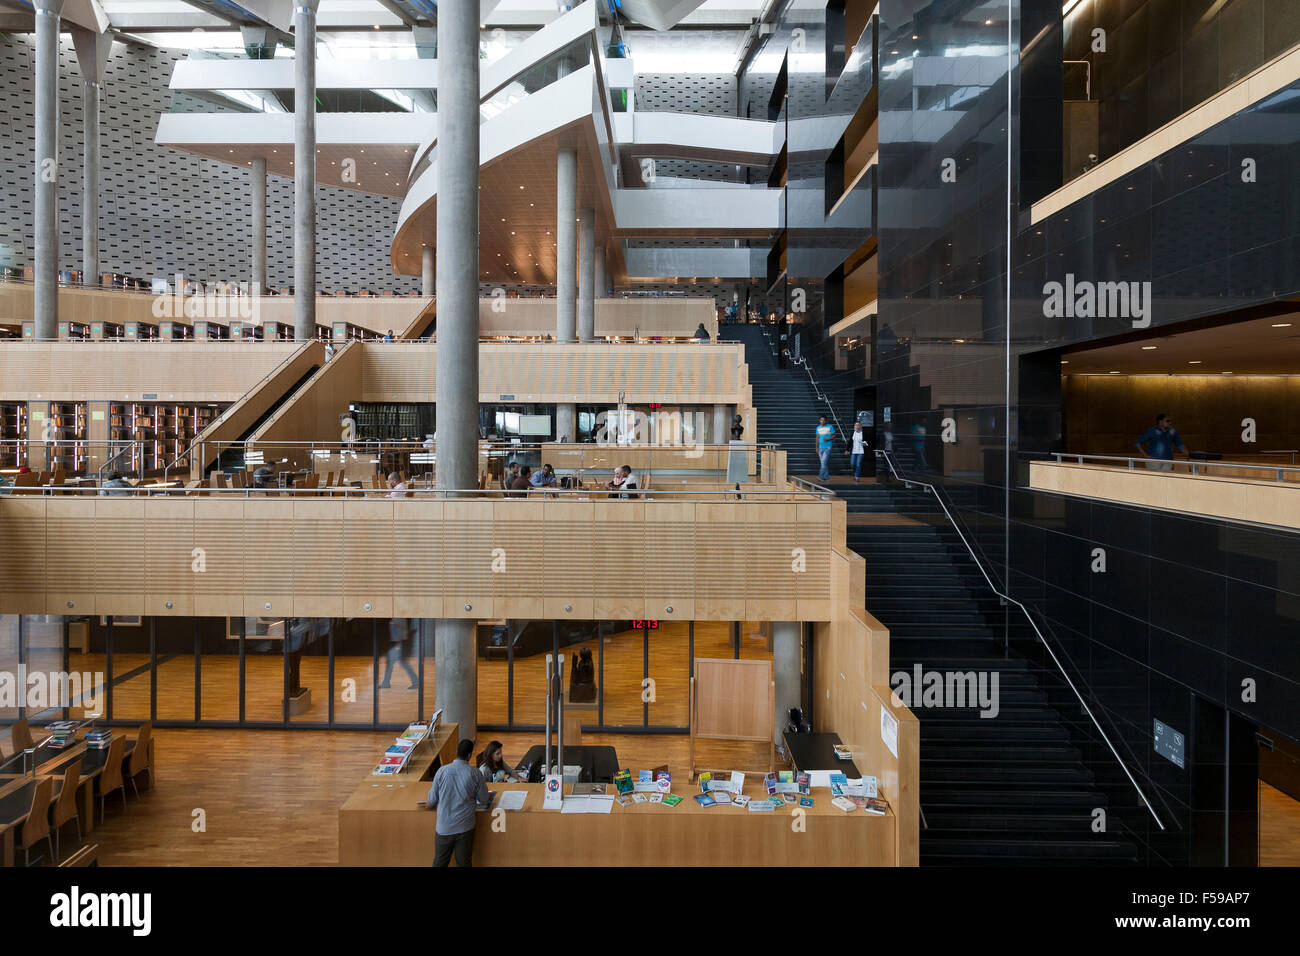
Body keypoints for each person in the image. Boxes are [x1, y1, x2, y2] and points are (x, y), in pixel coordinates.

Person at [426, 738, 490, 867]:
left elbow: (431, 801)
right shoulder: (475, 773)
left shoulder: (442, 771)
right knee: (464, 863)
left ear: (457, 752)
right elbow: (483, 799)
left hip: (444, 827)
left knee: (439, 862)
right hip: (465, 827)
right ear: (469, 755)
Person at [378, 617, 418, 690]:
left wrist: (398, 645)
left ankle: (416, 682)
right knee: (392, 663)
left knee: (400, 663)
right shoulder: (396, 618)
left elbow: (402, 631)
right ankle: (386, 682)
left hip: (399, 644)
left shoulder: (399, 618)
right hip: (396, 644)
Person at [815, 415, 835, 482]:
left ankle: (820, 476)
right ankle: (826, 477)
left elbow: (834, 436)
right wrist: (816, 447)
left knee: (823, 462)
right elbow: (817, 438)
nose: (822, 421)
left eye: (823, 420)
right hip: (820, 448)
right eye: (821, 420)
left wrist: (828, 439)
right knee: (823, 463)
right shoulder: (818, 428)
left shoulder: (830, 426)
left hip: (827, 447)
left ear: (826, 421)